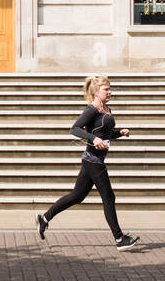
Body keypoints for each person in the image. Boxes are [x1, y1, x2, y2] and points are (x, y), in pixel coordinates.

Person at [35, 74, 140, 250]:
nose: (110, 92)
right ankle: (119, 238)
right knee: (108, 197)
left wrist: (119, 133)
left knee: (77, 196)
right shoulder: (91, 110)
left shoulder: (106, 109)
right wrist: (93, 139)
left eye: (110, 88)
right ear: (96, 92)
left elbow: (106, 134)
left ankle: (44, 219)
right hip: (94, 160)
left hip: (93, 159)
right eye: (106, 89)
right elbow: (74, 129)